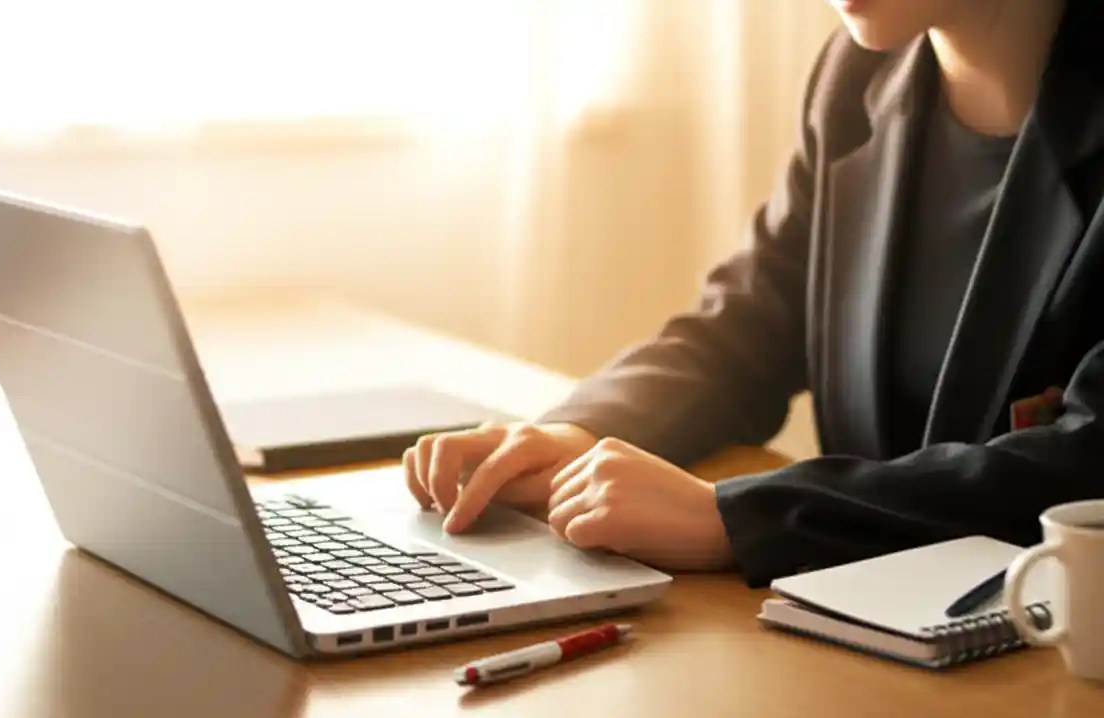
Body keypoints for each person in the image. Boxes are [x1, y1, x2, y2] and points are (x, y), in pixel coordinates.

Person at [402, 0, 1104, 586]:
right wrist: (578, 432)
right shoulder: (857, 75)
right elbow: (746, 326)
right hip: (870, 633)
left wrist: (738, 517)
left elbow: (1083, 460)